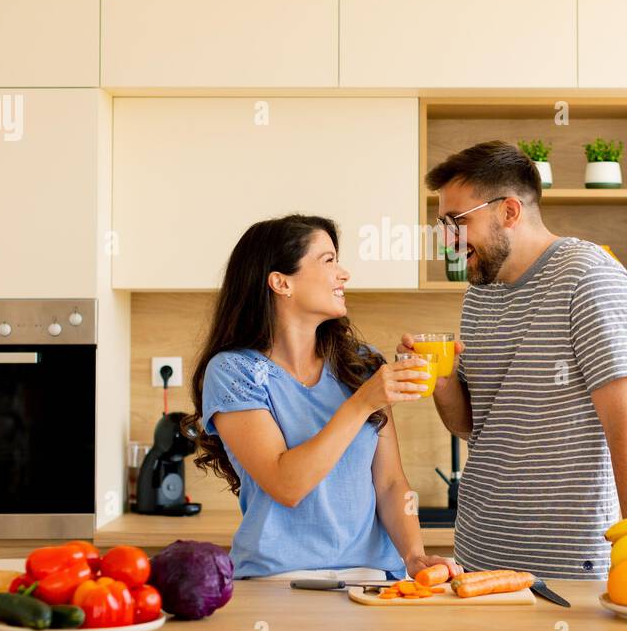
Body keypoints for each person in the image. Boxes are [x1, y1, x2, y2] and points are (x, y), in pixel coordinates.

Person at [403, 141, 627, 580]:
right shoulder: (480, 294)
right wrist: (441, 380)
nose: (448, 239)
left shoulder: (589, 278)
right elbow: (470, 425)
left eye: (457, 222)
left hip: (568, 563)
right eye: (442, 224)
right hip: (479, 557)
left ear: (509, 211)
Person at [189, 214, 459, 582]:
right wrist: (363, 402)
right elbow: (287, 485)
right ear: (281, 282)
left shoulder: (360, 365)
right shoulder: (234, 372)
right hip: (278, 581)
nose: (343, 273)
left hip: (373, 581)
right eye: (328, 260)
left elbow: (391, 483)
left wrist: (414, 555)